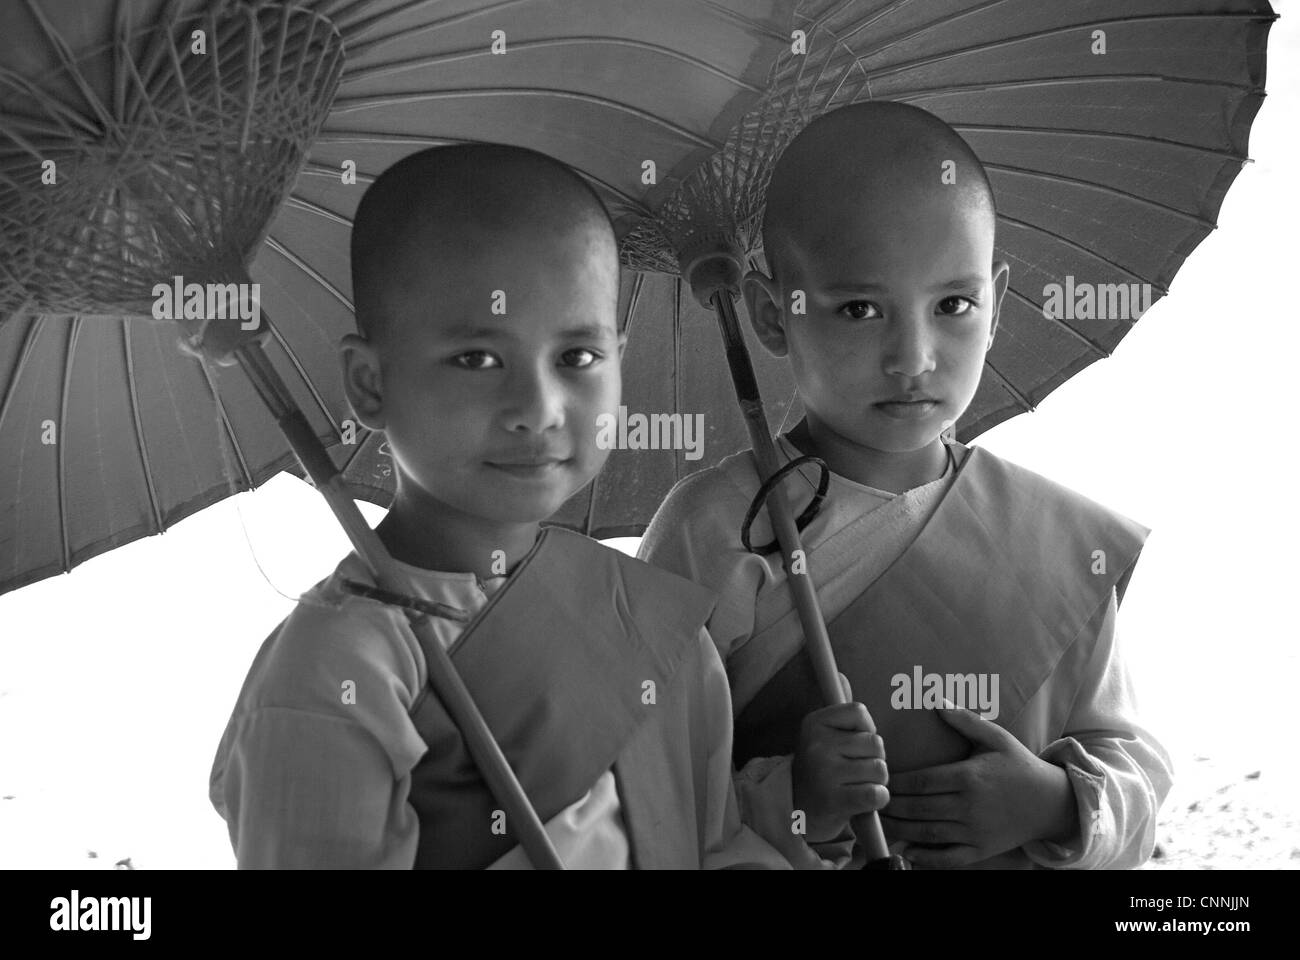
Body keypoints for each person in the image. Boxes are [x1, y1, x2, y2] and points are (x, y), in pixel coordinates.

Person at [208, 144, 823, 869]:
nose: (538, 408)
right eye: (477, 359)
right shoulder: (334, 670)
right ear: (370, 384)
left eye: (578, 358)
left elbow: (715, 847)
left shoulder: (651, 621)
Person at [639, 102, 1173, 870]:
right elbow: (635, 791)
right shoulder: (716, 525)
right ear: (769, 313)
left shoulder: (1053, 537)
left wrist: (1057, 802)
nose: (913, 356)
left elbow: (1131, 762)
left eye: (953, 305)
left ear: (996, 304)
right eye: (859, 308)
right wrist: (795, 801)